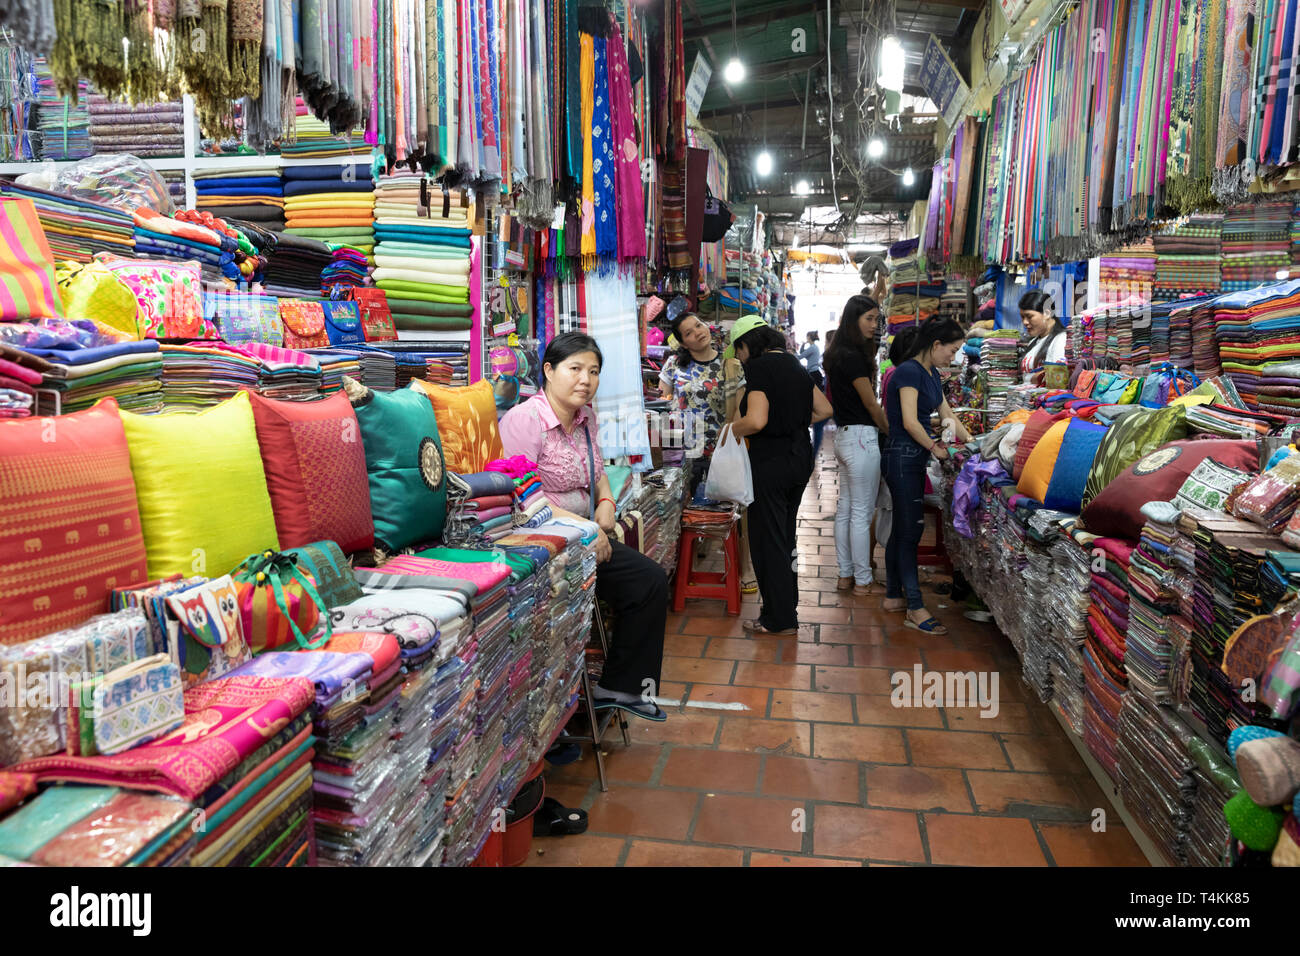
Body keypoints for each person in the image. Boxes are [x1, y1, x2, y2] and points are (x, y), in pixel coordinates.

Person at [500, 333, 668, 720]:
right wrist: (589, 530)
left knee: (649, 582)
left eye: (593, 371)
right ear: (548, 370)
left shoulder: (585, 417)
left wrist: (606, 505)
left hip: (585, 539)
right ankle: (553, 715)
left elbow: (599, 475)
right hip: (540, 542)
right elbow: (525, 500)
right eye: (574, 369)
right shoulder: (525, 421)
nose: (585, 380)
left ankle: (620, 687)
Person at [728, 316, 833, 635]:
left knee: (767, 540)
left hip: (770, 462)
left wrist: (729, 430)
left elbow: (756, 421)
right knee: (785, 536)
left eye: (739, 351)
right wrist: (793, 421)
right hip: (799, 457)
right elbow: (825, 410)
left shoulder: (758, 369)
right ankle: (787, 606)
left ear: (747, 345)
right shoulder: (794, 365)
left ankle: (779, 618)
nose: (740, 358)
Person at [882, 317, 971, 635]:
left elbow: (948, 414)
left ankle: (894, 595)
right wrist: (935, 447)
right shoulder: (907, 371)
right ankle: (915, 607)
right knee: (910, 532)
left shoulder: (931, 374)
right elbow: (908, 421)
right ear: (935, 345)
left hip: (912, 458)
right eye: (952, 350)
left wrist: (975, 445)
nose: (954, 357)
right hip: (902, 457)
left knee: (903, 529)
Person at [824, 295, 889, 595]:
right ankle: (863, 581)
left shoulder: (836, 353)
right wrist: (890, 429)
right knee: (861, 513)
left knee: (847, 510)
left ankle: (845, 575)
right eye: (869, 319)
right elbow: (871, 405)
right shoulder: (852, 356)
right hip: (862, 438)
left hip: (844, 437)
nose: (874, 325)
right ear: (854, 319)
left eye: (876, 319)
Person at [658, 311, 744, 498]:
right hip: (680, 451)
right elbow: (662, 404)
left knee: (716, 510)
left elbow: (739, 410)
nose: (698, 332)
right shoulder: (674, 364)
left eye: (698, 325)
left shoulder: (729, 364)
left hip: (718, 451)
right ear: (683, 343)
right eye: (688, 333)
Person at [1018, 289, 1067, 384]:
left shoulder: (1060, 340)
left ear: (1047, 314)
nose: (1025, 322)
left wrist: (1032, 378)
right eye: (1022, 317)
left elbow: (1057, 378)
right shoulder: (1034, 342)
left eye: (1029, 316)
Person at [799, 331, 826, 461]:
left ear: (809, 337)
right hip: (815, 373)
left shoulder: (813, 348)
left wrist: (802, 346)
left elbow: (800, 356)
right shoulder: (815, 348)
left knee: (812, 398)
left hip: (814, 374)